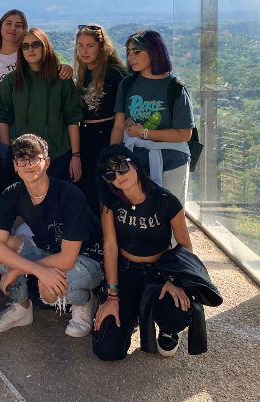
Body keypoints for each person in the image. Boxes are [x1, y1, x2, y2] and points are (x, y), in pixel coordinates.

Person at [92, 145, 206, 360]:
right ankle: (133, 314)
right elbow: (110, 247)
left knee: (178, 311)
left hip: (160, 271)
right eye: (110, 174)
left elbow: (184, 246)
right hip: (126, 270)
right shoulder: (111, 204)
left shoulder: (167, 201)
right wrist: (112, 296)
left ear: (134, 163)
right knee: (106, 350)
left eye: (122, 167)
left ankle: (166, 327)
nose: (118, 176)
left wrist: (175, 280)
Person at [0, 134, 103, 337]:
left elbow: (67, 259)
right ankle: (20, 308)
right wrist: (36, 269)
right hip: (48, 253)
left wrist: (16, 271)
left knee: (48, 291)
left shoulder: (69, 195)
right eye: (22, 159)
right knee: (7, 245)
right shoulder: (12, 193)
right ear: (15, 166)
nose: (28, 164)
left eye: (34, 158)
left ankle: (85, 301)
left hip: (86, 259)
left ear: (47, 162)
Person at [110, 30, 194, 204]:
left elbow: (185, 134)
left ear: (155, 52)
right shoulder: (127, 85)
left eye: (137, 51)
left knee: (170, 215)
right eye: (129, 52)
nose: (131, 57)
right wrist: (113, 156)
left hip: (172, 163)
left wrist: (144, 133)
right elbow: (118, 126)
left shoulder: (175, 88)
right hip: (134, 162)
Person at [0, 27, 82, 183]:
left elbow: (72, 118)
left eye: (35, 44)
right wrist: (7, 153)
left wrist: (76, 156)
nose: (30, 49)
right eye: (25, 46)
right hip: (23, 159)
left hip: (59, 155)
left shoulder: (61, 79)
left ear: (45, 46)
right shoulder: (11, 81)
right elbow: (3, 118)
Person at [0, 10, 73, 141]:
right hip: (7, 131)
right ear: (0, 27)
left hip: (45, 130)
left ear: (24, 29)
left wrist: (65, 68)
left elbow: (52, 72)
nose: (13, 28)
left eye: (19, 25)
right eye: (9, 23)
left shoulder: (32, 52)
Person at [73, 24, 127, 213]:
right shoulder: (83, 73)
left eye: (89, 45)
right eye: (80, 45)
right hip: (86, 137)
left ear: (101, 47)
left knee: (105, 192)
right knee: (86, 192)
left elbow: (121, 116)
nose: (84, 50)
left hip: (107, 136)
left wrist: (114, 150)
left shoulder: (116, 74)